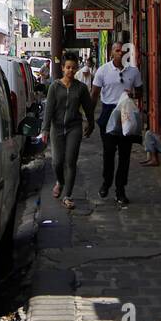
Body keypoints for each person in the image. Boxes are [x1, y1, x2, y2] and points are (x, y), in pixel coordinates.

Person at [92, 42, 143, 204]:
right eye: (117, 50)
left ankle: (120, 189)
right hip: (108, 114)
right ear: (111, 53)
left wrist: (133, 93)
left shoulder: (133, 72)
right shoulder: (103, 71)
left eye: (123, 51)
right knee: (108, 152)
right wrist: (89, 117)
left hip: (125, 114)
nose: (121, 53)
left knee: (125, 154)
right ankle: (106, 182)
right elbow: (94, 94)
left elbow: (140, 91)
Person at [41, 52, 94, 209]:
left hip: (74, 128)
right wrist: (45, 130)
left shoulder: (81, 88)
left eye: (73, 67)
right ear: (63, 68)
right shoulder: (54, 87)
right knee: (57, 162)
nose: (70, 70)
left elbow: (88, 108)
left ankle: (68, 195)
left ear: (77, 69)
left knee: (70, 162)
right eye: (68, 67)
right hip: (56, 128)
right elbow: (48, 110)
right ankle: (60, 181)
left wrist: (91, 124)